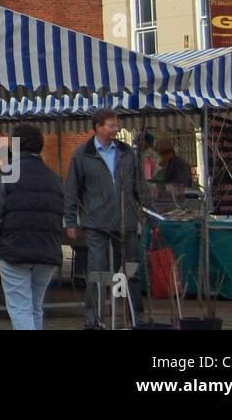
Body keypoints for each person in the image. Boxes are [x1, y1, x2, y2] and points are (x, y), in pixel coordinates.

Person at [63, 110, 147, 329]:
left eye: (116, 125)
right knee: (98, 270)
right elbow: (72, 190)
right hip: (96, 222)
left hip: (125, 221)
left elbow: (141, 187)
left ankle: (135, 315)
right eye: (110, 125)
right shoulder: (83, 154)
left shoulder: (126, 152)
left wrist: (148, 214)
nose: (116, 129)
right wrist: (70, 221)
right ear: (98, 127)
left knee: (131, 270)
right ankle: (93, 317)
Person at [0, 123, 64, 329]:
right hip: (47, 251)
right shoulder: (54, 178)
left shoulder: (6, 175)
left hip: (14, 251)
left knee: (20, 308)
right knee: (35, 307)